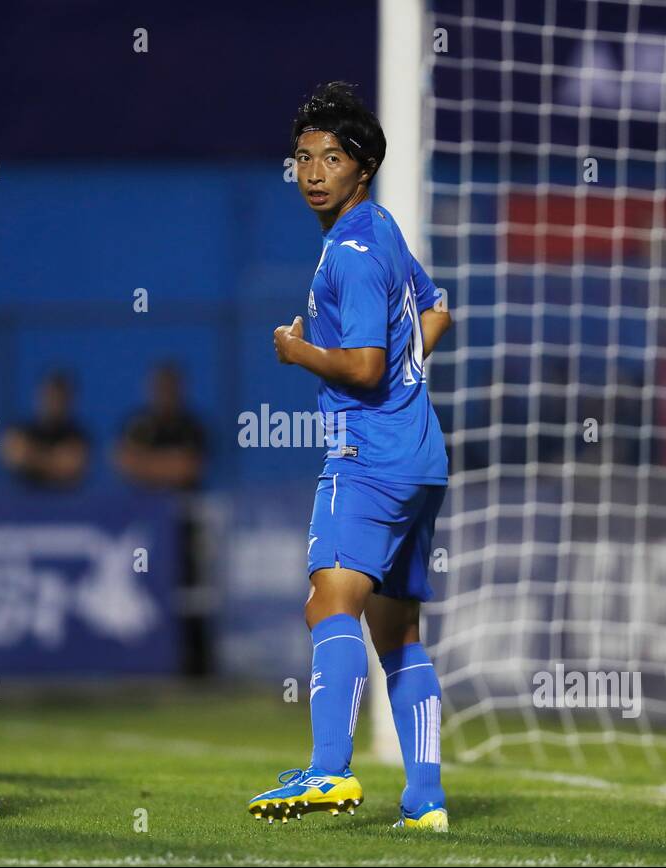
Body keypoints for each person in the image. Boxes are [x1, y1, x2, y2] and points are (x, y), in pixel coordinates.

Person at [247, 82, 453, 830]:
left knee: (328, 603)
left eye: (331, 158)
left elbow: (365, 368)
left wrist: (296, 350)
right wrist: (407, 371)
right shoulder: (380, 229)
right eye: (303, 157)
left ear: (362, 168)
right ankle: (425, 801)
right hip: (420, 456)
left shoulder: (352, 254)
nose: (312, 172)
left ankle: (330, 769)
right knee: (397, 633)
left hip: (366, 455)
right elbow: (437, 308)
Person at [115, 364, 211, 675]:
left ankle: (195, 666)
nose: (165, 395)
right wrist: (163, 467)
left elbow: (187, 468)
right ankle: (142, 661)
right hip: (145, 530)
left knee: (190, 589)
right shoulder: (139, 423)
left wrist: (148, 466)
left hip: (183, 528)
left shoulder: (190, 426)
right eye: (160, 388)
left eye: (171, 388)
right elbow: (124, 462)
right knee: (142, 588)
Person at [0, 371, 91, 487]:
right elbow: (12, 456)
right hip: (22, 496)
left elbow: (71, 466)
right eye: (49, 396)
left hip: (66, 497)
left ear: (68, 401)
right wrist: (54, 460)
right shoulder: (21, 431)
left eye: (59, 398)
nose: (53, 402)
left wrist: (30, 456)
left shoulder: (78, 436)